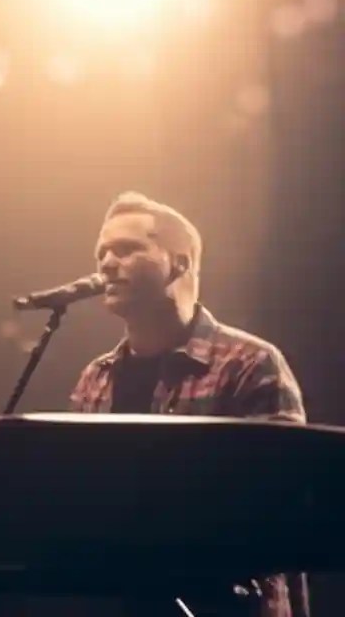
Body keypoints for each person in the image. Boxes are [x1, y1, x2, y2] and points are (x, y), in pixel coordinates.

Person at [70, 192, 309, 617]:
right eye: (101, 252)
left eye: (126, 249)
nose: (106, 263)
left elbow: (284, 507)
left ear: (179, 263)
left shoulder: (251, 363)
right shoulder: (96, 377)